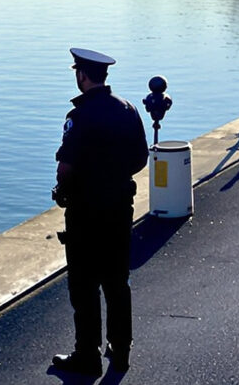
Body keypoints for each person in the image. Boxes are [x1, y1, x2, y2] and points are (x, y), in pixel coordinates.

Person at [50, 47, 149, 377]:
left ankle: (87, 355)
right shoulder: (128, 109)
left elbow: (66, 167)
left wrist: (63, 191)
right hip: (120, 208)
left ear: (82, 75)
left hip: (85, 213)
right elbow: (139, 159)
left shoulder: (79, 116)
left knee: (84, 284)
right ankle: (120, 351)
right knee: (117, 282)